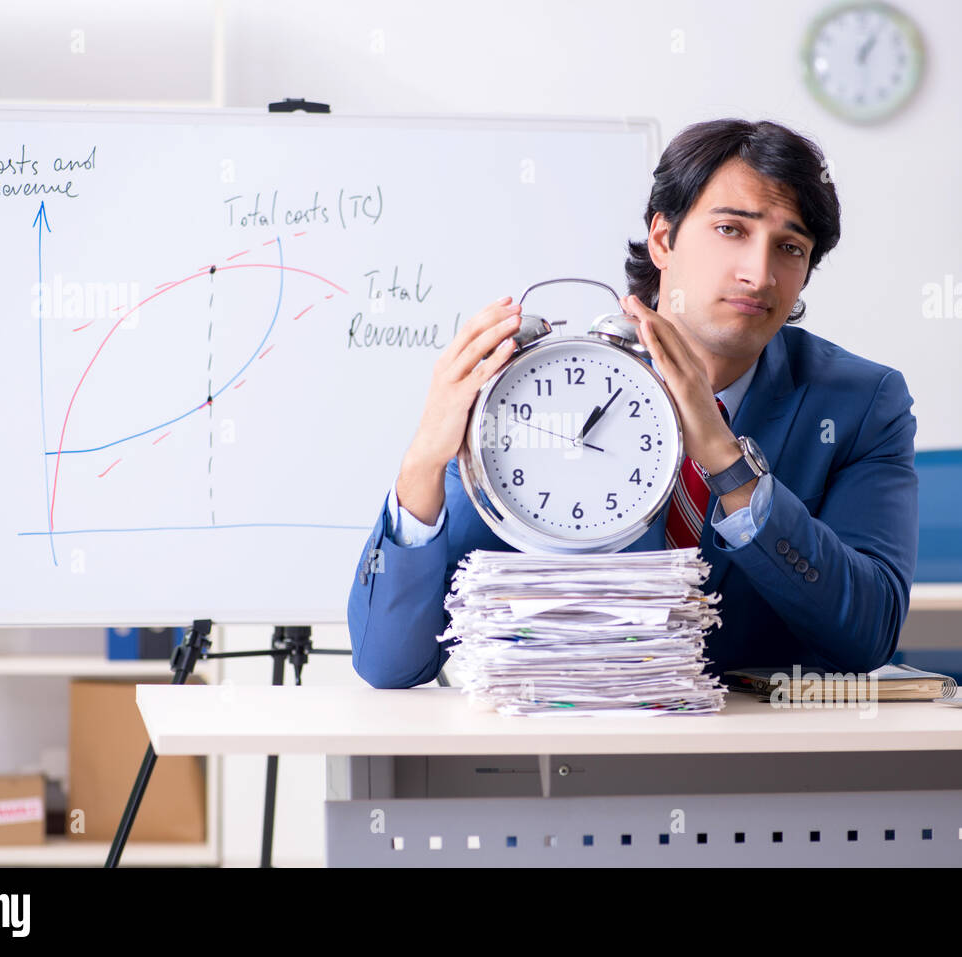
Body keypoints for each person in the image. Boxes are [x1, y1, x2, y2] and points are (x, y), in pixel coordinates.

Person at [347, 118, 918, 689]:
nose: (758, 273)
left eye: (789, 248)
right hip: (574, 750)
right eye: (730, 230)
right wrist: (423, 460)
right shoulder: (535, 389)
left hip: (761, 756)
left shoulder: (862, 403)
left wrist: (726, 462)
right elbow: (392, 662)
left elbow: (866, 636)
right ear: (663, 239)